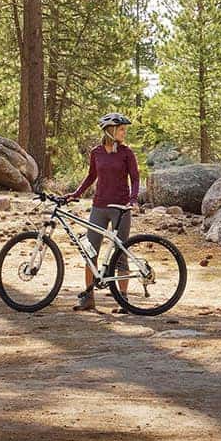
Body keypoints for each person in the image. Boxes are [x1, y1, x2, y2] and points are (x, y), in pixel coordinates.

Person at [67, 112, 140, 312]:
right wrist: (76, 193)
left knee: (120, 253)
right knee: (90, 253)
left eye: (125, 129)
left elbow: (134, 178)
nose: (125, 133)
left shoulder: (127, 153)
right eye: (122, 129)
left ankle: (123, 299)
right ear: (111, 130)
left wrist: (133, 199)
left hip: (121, 208)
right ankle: (88, 297)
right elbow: (91, 176)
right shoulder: (96, 152)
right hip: (99, 207)